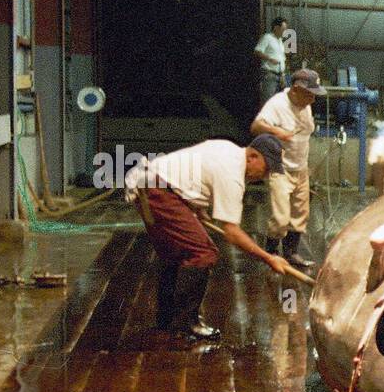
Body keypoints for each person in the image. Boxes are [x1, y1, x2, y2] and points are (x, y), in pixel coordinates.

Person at [124, 135, 289, 341]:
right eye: (266, 169)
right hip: (157, 190)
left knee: (175, 253)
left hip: (150, 184)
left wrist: (198, 209)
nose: (264, 176)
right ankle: (187, 323)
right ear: (253, 156)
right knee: (202, 253)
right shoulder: (232, 175)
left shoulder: (227, 149)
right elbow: (231, 231)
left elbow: (196, 172)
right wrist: (268, 257)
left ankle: (167, 319)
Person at [251, 68, 325, 270]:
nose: (312, 100)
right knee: (281, 216)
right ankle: (272, 254)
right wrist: (276, 131)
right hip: (280, 167)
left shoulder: (305, 105)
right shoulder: (277, 103)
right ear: (295, 89)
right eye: (309, 94)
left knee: (301, 214)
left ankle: (291, 253)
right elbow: (256, 126)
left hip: (300, 167)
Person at [254, 17, 289, 109]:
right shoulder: (267, 38)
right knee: (268, 103)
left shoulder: (280, 41)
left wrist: (283, 75)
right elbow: (257, 51)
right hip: (269, 75)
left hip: (279, 76)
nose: (284, 32)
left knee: (278, 104)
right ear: (276, 28)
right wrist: (270, 59)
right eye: (283, 29)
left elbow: (281, 58)